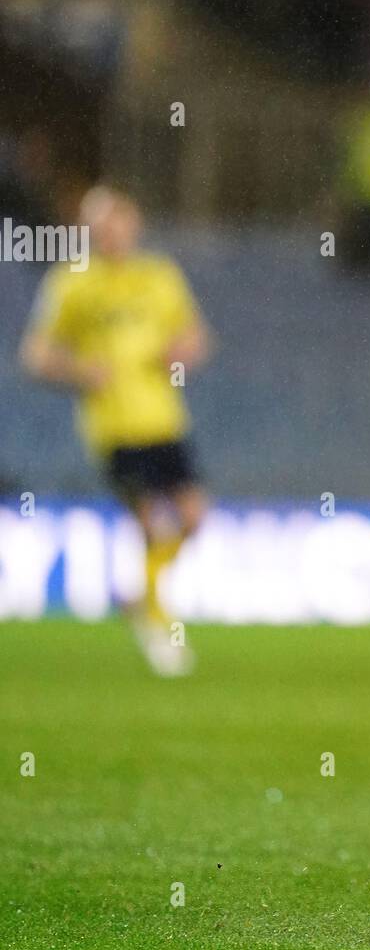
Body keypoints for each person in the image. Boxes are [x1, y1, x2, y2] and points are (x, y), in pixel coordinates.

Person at [20, 185, 211, 675]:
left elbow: (195, 336)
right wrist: (80, 371)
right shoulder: (72, 282)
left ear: (134, 224)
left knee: (192, 516)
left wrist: (179, 354)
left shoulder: (159, 276)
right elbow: (36, 355)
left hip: (164, 418)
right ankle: (158, 623)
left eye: (117, 222)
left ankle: (136, 595)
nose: (110, 233)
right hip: (113, 427)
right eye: (99, 225)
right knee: (154, 524)